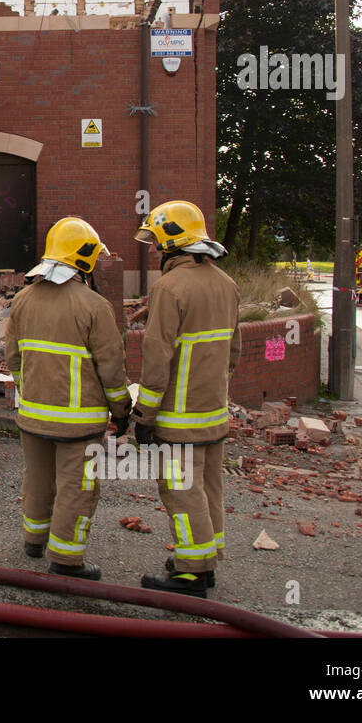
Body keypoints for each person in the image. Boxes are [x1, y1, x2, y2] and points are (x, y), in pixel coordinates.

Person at [4, 217, 131, 580]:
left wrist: (29, 390)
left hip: (31, 416)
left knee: (38, 479)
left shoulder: (23, 299)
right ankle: (66, 559)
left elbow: (13, 357)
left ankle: (34, 540)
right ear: (85, 259)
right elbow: (112, 368)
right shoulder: (95, 306)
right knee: (77, 488)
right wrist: (122, 412)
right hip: (78, 422)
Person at [131, 200, 240, 596]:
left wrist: (144, 414)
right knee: (209, 486)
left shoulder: (168, 288)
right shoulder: (226, 283)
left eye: (158, 244)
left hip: (179, 417)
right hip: (214, 413)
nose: (155, 251)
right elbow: (235, 350)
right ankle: (205, 560)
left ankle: (191, 573)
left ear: (174, 243)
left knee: (180, 489)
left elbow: (157, 356)